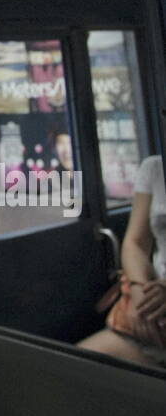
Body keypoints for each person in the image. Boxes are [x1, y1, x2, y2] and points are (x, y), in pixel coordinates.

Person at [77, 154, 166, 368]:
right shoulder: (154, 168)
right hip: (156, 315)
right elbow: (134, 243)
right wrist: (138, 290)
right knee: (71, 369)